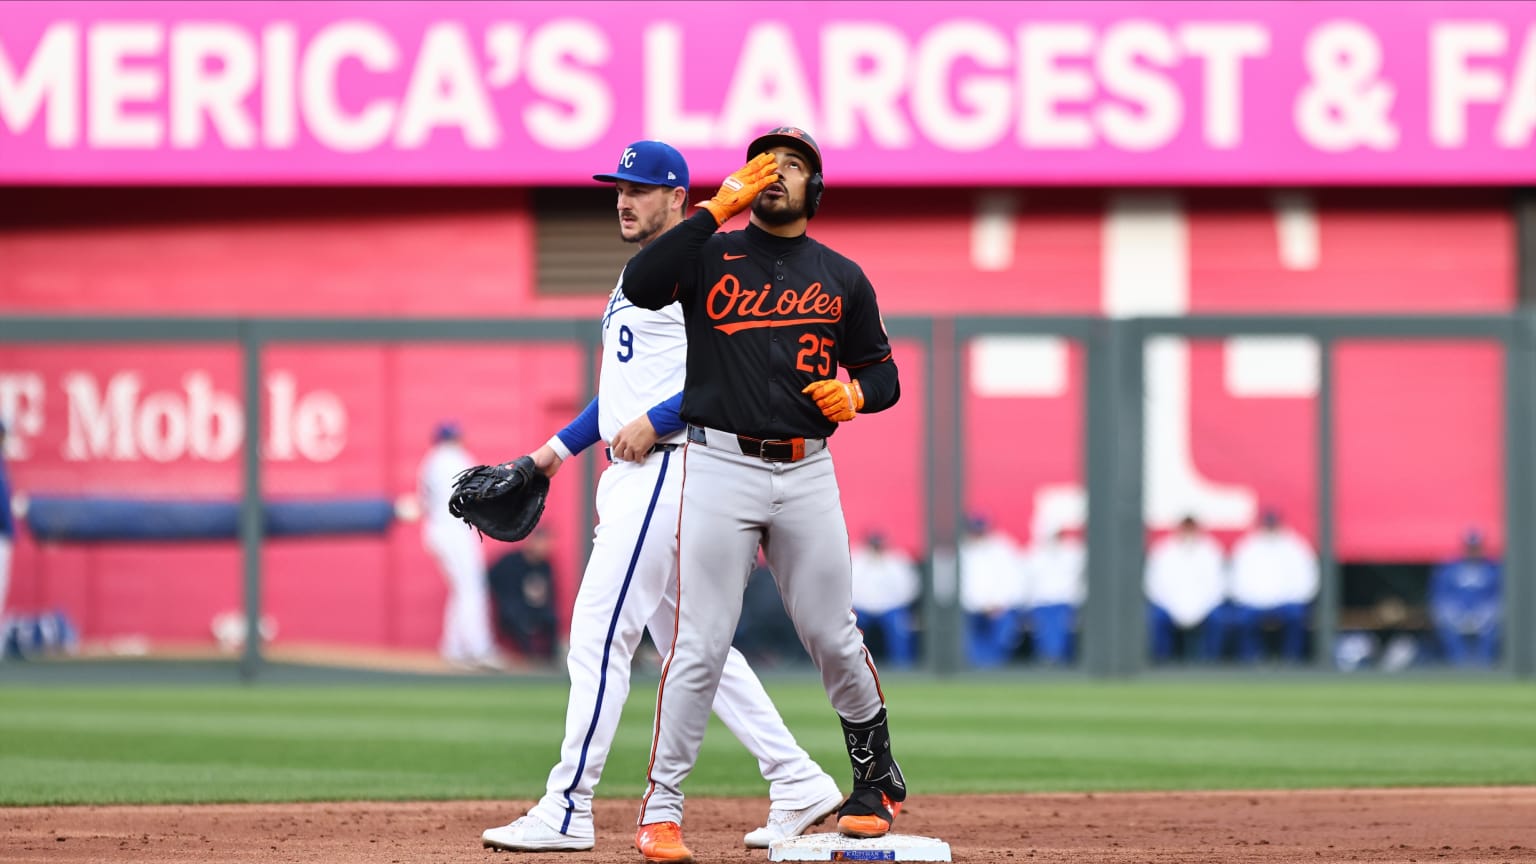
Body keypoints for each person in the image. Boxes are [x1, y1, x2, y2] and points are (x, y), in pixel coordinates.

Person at [481, 140, 842, 855]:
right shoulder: (644, 274)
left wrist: (665, 419)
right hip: (649, 471)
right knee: (693, 645)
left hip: (668, 471)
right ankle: (795, 778)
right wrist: (551, 455)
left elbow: (740, 373)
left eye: (641, 188)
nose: (624, 198)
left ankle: (566, 807)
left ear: (680, 198)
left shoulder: (703, 267)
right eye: (619, 186)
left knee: (599, 635)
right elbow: (624, 395)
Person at [619, 126, 908, 862]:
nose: (777, 172)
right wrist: (717, 207)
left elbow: (884, 374)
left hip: (807, 469)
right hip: (720, 465)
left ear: (817, 188)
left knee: (832, 633)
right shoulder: (710, 251)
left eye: (794, 164)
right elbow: (643, 285)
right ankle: (662, 810)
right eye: (765, 161)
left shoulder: (842, 275)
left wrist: (856, 395)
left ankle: (875, 781)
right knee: (700, 644)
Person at [418, 421, 502, 671]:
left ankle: (454, 647)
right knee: (472, 588)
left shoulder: (430, 461)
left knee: (462, 588)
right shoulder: (454, 458)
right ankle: (479, 649)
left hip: (436, 530)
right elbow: (476, 494)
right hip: (454, 530)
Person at [1226, 509, 1318, 663]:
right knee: (1244, 618)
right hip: (1254, 603)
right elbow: (1235, 581)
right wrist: (1254, 600)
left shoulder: (1295, 546)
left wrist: (1288, 599)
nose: (1270, 528)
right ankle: (1250, 661)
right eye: (1267, 524)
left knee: (1296, 616)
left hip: (1287, 602)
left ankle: (1292, 660)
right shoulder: (1247, 547)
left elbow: (1308, 580)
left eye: (1273, 524)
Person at [1144, 515, 1226, 662]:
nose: (1188, 531)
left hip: (1205, 607)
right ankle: (1162, 662)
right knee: (1156, 618)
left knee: (1217, 618)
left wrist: (1201, 609)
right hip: (1168, 606)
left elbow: (1218, 586)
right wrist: (1171, 607)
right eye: (1186, 527)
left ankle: (1210, 663)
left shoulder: (1210, 550)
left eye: (1191, 527)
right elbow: (1154, 584)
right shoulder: (1164, 550)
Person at [958, 514, 1028, 667]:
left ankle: (996, 671)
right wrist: (979, 605)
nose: (978, 535)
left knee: (1005, 631)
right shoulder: (961, 551)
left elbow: (1015, 581)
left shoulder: (1003, 549)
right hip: (971, 610)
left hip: (1001, 608)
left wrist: (998, 604)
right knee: (967, 637)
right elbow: (959, 586)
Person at [1428, 529, 1501, 667]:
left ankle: (1485, 668)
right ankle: (1460, 668)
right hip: (1457, 616)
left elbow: (1499, 596)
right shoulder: (1449, 568)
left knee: (1493, 632)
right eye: (1470, 547)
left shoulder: (1493, 568)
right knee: (1448, 633)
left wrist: (1487, 614)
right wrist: (1452, 616)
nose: (1473, 551)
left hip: (1484, 617)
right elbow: (1440, 596)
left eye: (1476, 547)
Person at [849, 531, 921, 669]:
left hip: (891, 608)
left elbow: (910, 587)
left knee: (900, 628)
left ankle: (902, 668)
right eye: (873, 545)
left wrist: (898, 603)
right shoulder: (856, 559)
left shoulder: (897, 560)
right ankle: (850, 669)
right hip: (861, 609)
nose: (876, 549)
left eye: (879, 545)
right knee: (847, 631)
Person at [487, 531, 558, 662]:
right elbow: (490, 577)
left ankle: (550, 659)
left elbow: (549, 596)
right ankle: (529, 658)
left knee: (551, 619)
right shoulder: (511, 562)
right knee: (514, 615)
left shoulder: (545, 566)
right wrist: (503, 596)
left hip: (535, 610)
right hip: (514, 609)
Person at [1022, 525, 1086, 665]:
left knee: (1061, 629)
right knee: (1043, 631)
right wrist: (1027, 609)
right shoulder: (1036, 555)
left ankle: (1058, 660)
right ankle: (1048, 660)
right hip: (1040, 604)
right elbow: (1028, 584)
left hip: (1065, 603)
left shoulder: (1072, 553)